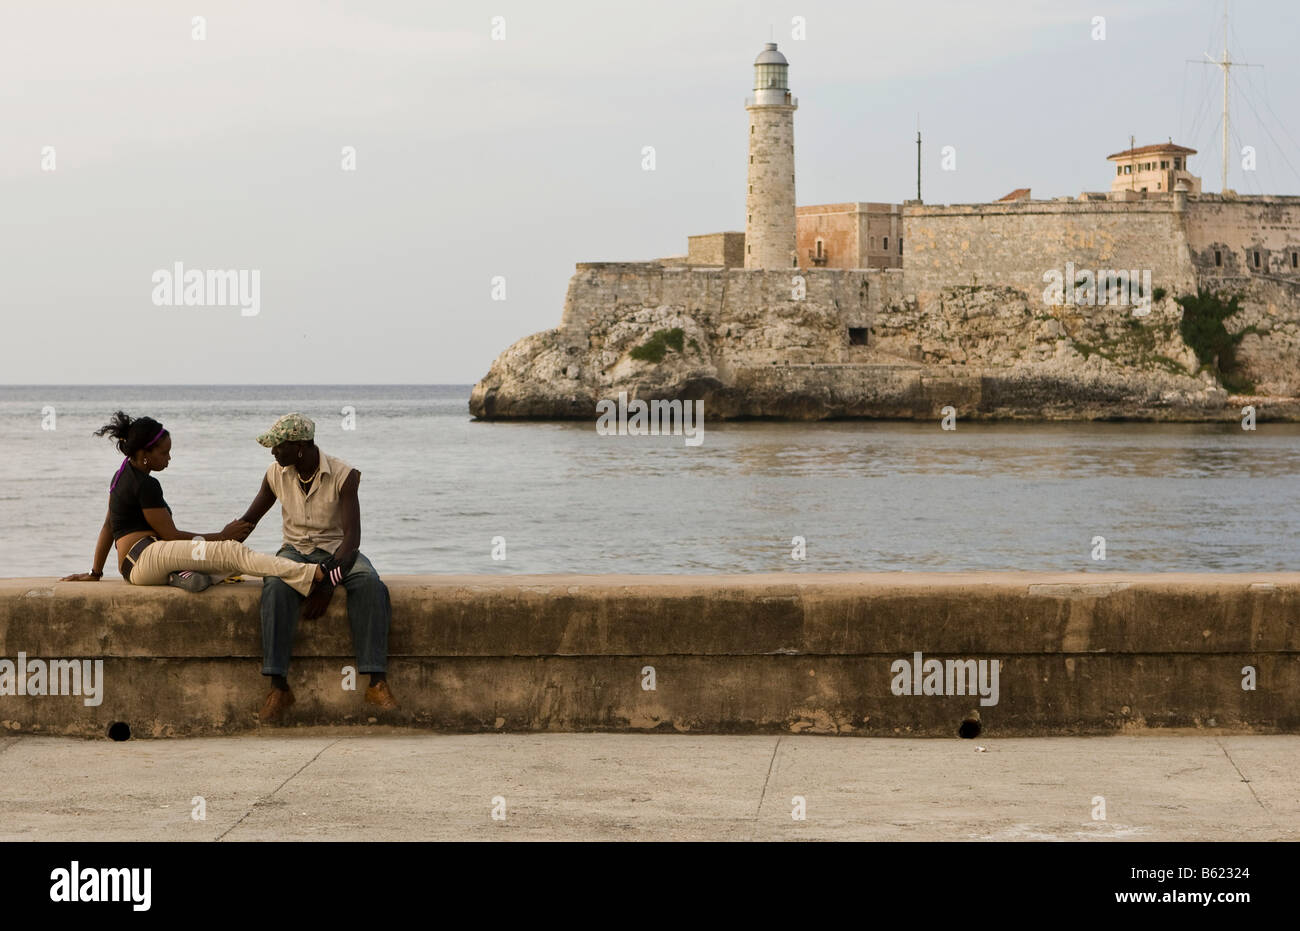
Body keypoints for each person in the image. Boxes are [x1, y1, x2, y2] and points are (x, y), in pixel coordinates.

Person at [236, 412, 398, 722]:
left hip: (337, 552)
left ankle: (376, 681)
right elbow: (248, 521)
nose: (273, 452)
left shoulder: (344, 475)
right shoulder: (275, 474)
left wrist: (327, 584)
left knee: (369, 584)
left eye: (278, 447)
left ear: (300, 446)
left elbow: (352, 541)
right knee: (275, 586)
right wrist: (210, 548)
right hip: (294, 551)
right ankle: (278, 686)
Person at [61, 412, 324, 598]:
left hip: (136, 566)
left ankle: (184, 575)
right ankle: (312, 574)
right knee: (233, 553)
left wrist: (95, 572)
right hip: (147, 557)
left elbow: (109, 525)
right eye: (163, 453)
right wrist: (221, 537)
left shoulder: (121, 475)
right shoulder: (145, 485)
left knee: (228, 565)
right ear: (144, 455)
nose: (169, 458)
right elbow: (172, 537)